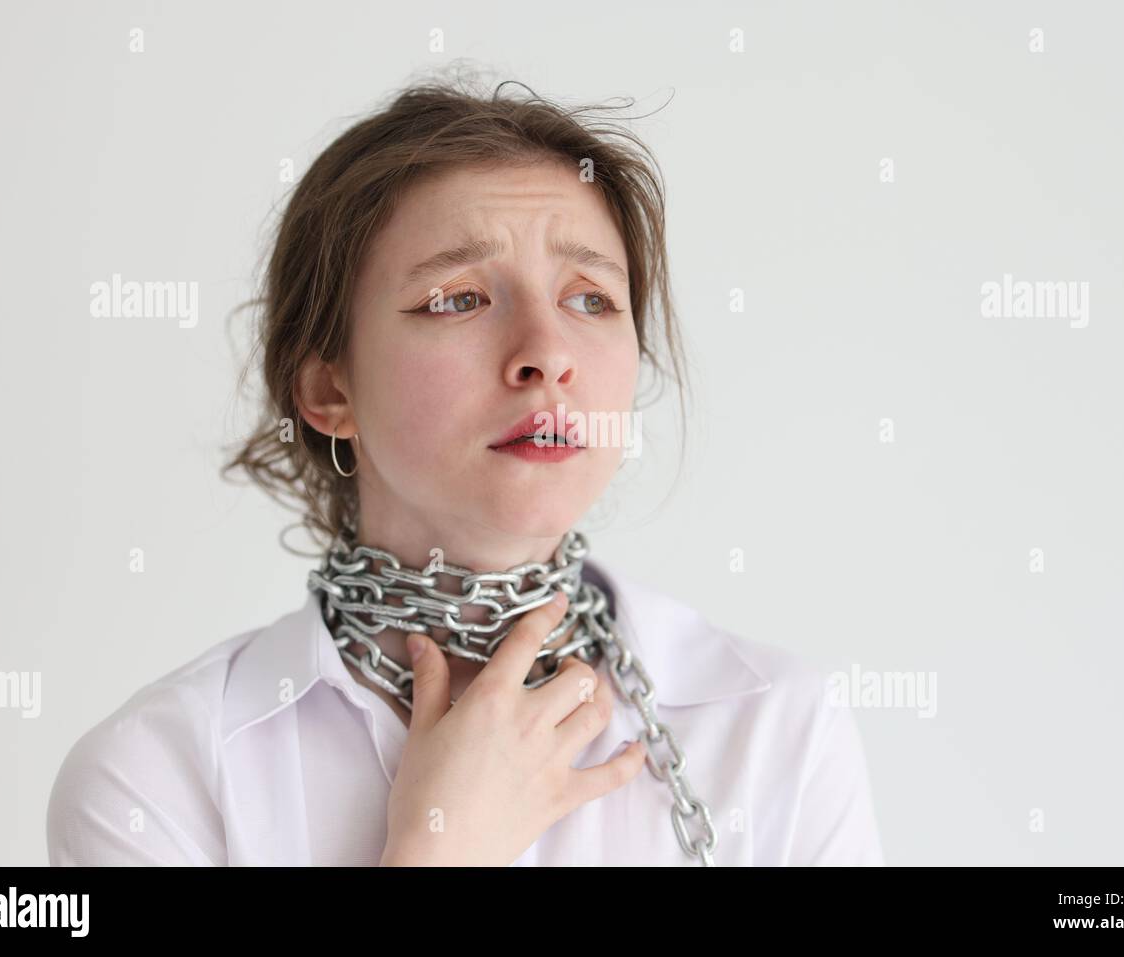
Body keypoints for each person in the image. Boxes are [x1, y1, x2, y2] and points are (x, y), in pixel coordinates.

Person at [46, 72, 884, 867]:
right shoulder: (155, 778)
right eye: (459, 298)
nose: (547, 355)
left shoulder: (777, 729)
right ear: (329, 389)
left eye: (591, 297)